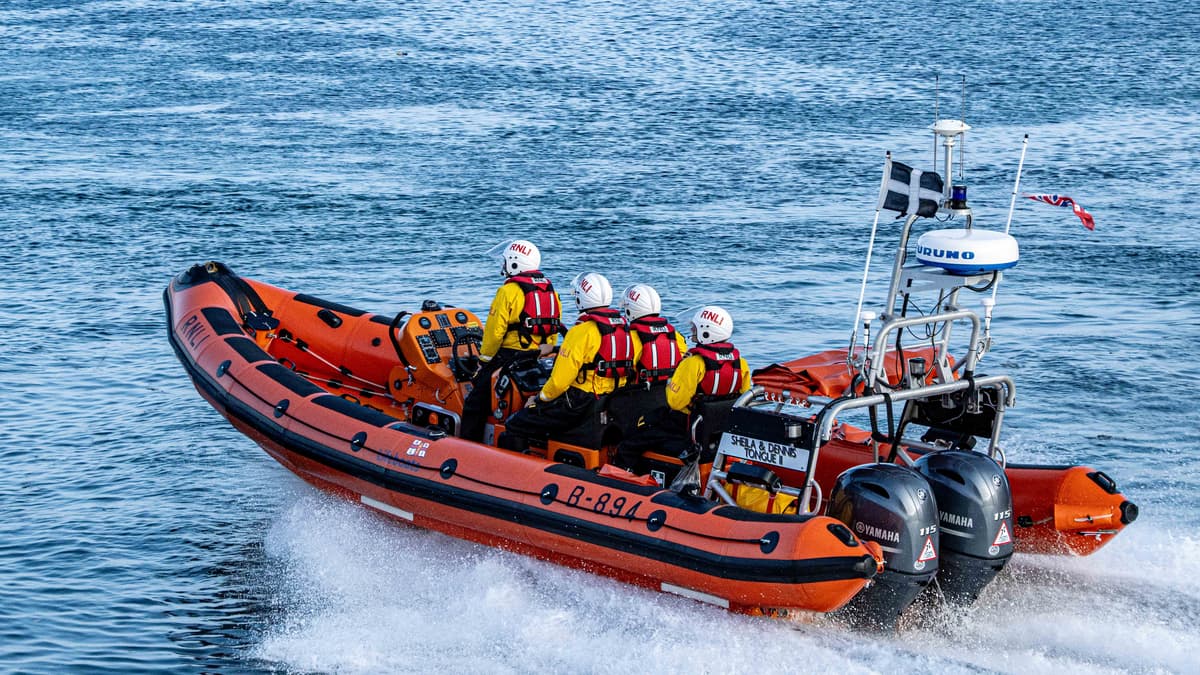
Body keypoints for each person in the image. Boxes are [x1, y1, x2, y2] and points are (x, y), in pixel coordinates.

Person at [501, 272, 633, 450]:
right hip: (610, 400)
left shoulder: (580, 331)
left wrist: (538, 399)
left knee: (516, 423)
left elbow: (558, 382)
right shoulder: (623, 328)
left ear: (581, 299)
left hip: (578, 404)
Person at [612, 304, 752, 472]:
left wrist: (673, 379)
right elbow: (743, 399)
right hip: (717, 429)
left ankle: (618, 474)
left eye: (695, 327)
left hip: (685, 427)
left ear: (706, 331)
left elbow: (675, 402)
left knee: (634, 438)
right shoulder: (740, 363)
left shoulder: (693, 363)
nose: (692, 330)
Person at [459, 240, 562, 443]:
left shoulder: (507, 292)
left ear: (515, 263)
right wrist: (543, 353)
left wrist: (484, 361)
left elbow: (494, 332)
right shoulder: (551, 292)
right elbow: (554, 327)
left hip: (510, 356)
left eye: (505, 261)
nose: (503, 265)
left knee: (474, 403)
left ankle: (467, 445)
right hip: (538, 358)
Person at [606, 283, 688, 436]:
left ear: (631, 310)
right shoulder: (674, 335)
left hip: (639, 399)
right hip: (668, 396)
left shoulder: (632, 338)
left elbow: (620, 371)